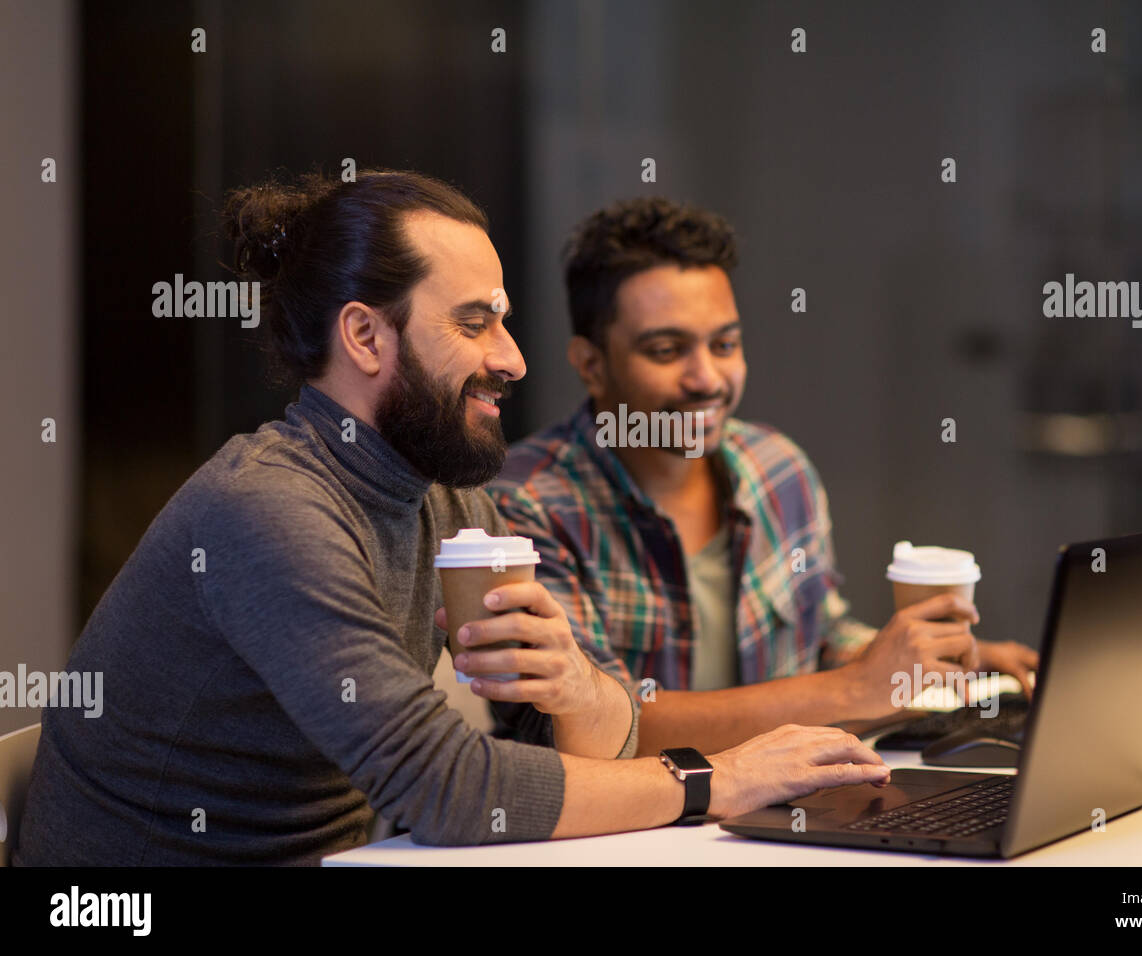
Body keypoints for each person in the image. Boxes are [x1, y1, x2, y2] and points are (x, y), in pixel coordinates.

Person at [14, 172, 889, 866]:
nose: (510, 359)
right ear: (364, 337)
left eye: (503, 322)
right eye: (473, 324)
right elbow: (451, 789)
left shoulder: (446, 492)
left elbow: (568, 739)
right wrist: (717, 780)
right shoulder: (268, 509)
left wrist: (576, 689)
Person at [489, 197, 1038, 757]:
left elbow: (819, 640)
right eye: (666, 350)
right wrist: (856, 688)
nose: (707, 378)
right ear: (591, 365)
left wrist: (920, 659)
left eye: (724, 344)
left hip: (777, 816)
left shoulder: (778, 469)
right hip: (618, 833)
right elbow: (591, 727)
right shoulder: (524, 507)